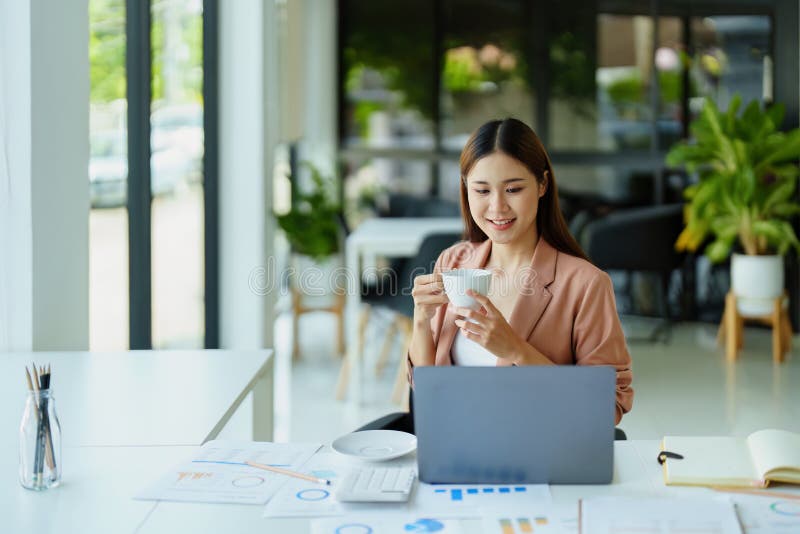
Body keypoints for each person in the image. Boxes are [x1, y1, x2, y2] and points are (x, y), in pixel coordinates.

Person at [408, 118, 633, 425]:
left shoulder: (586, 284)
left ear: (542, 185)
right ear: (466, 189)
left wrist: (517, 351)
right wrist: (421, 321)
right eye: (482, 190)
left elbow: (608, 407)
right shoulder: (453, 263)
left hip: (541, 456)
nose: (497, 207)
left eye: (513, 189)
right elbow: (427, 394)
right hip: (456, 449)